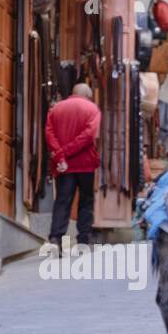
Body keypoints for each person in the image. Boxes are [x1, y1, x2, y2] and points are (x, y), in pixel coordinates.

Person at [45, 82, 102, 248]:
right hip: (85, 164)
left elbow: (49, 135)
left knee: (63, 200)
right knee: (85, 200)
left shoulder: (55, 109)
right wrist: (68, 151)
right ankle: (84, 238)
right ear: (87, 96)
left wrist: (61, 156)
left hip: (63, 165)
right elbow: (88, 135)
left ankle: (56, 238)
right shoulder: (92, 110)